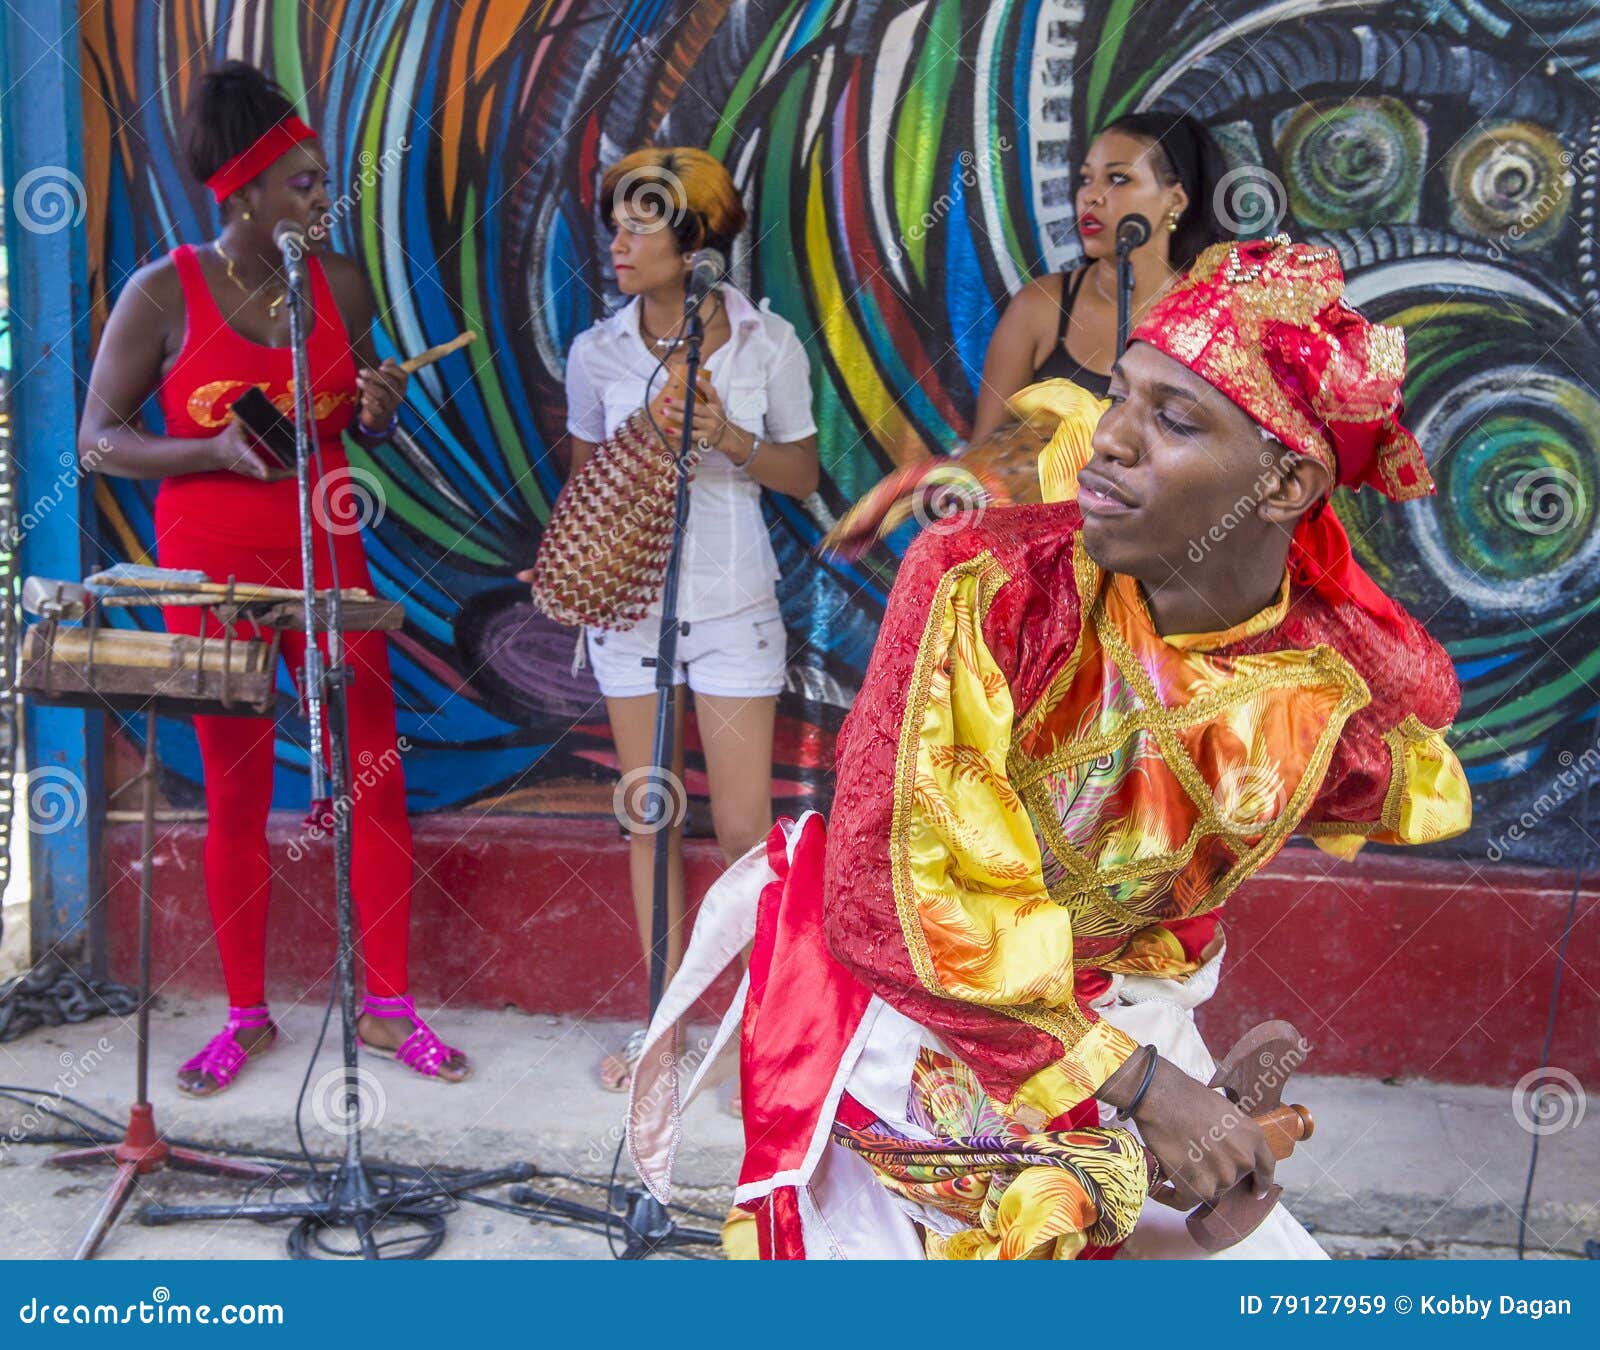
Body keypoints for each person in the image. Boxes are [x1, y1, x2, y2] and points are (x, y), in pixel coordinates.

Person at [629, 237, 1472, 1258]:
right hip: (919, 1013)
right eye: (1118, 397)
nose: (1113, 439)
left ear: (1286, 487)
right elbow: (884, 896)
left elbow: (1223, 861)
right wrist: (1147, 1091)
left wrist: (1176, 1080)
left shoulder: (1324, 682)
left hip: (1121, 1026)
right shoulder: (990, 587)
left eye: (1172, 418)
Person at [78, 62, 469, 1094]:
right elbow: (98, 442)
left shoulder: (338, 286)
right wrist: (209, 454)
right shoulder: (162, 291)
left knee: (371, 767)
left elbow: (353, 417)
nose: (321, 198)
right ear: (242, 195)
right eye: (301, 184)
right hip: (214, 574)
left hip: (328, 550)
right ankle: (245, 1015)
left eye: (322, 180)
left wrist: (375, 404)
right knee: (237, 789)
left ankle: (388, 1008)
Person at [518, 147, 820, 1092]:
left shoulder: (766, 345)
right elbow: (586, 486)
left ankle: (763, 1028)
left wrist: (727, 436)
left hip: (735, 608)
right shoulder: (598, 349)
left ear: (696, 244)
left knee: (739, 828)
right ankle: (665, 1028)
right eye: (616, 222)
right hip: (630, 613)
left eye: (640, 223)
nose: (618, 242)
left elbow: (804, 477)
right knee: (648, 814)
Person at [968, 112, 1231, 441]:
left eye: (1118, 179)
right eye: (1085, 179)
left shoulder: (1213, 314)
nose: (1090, 196)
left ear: (1174, 200)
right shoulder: (1041, 306)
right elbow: (983, 455)